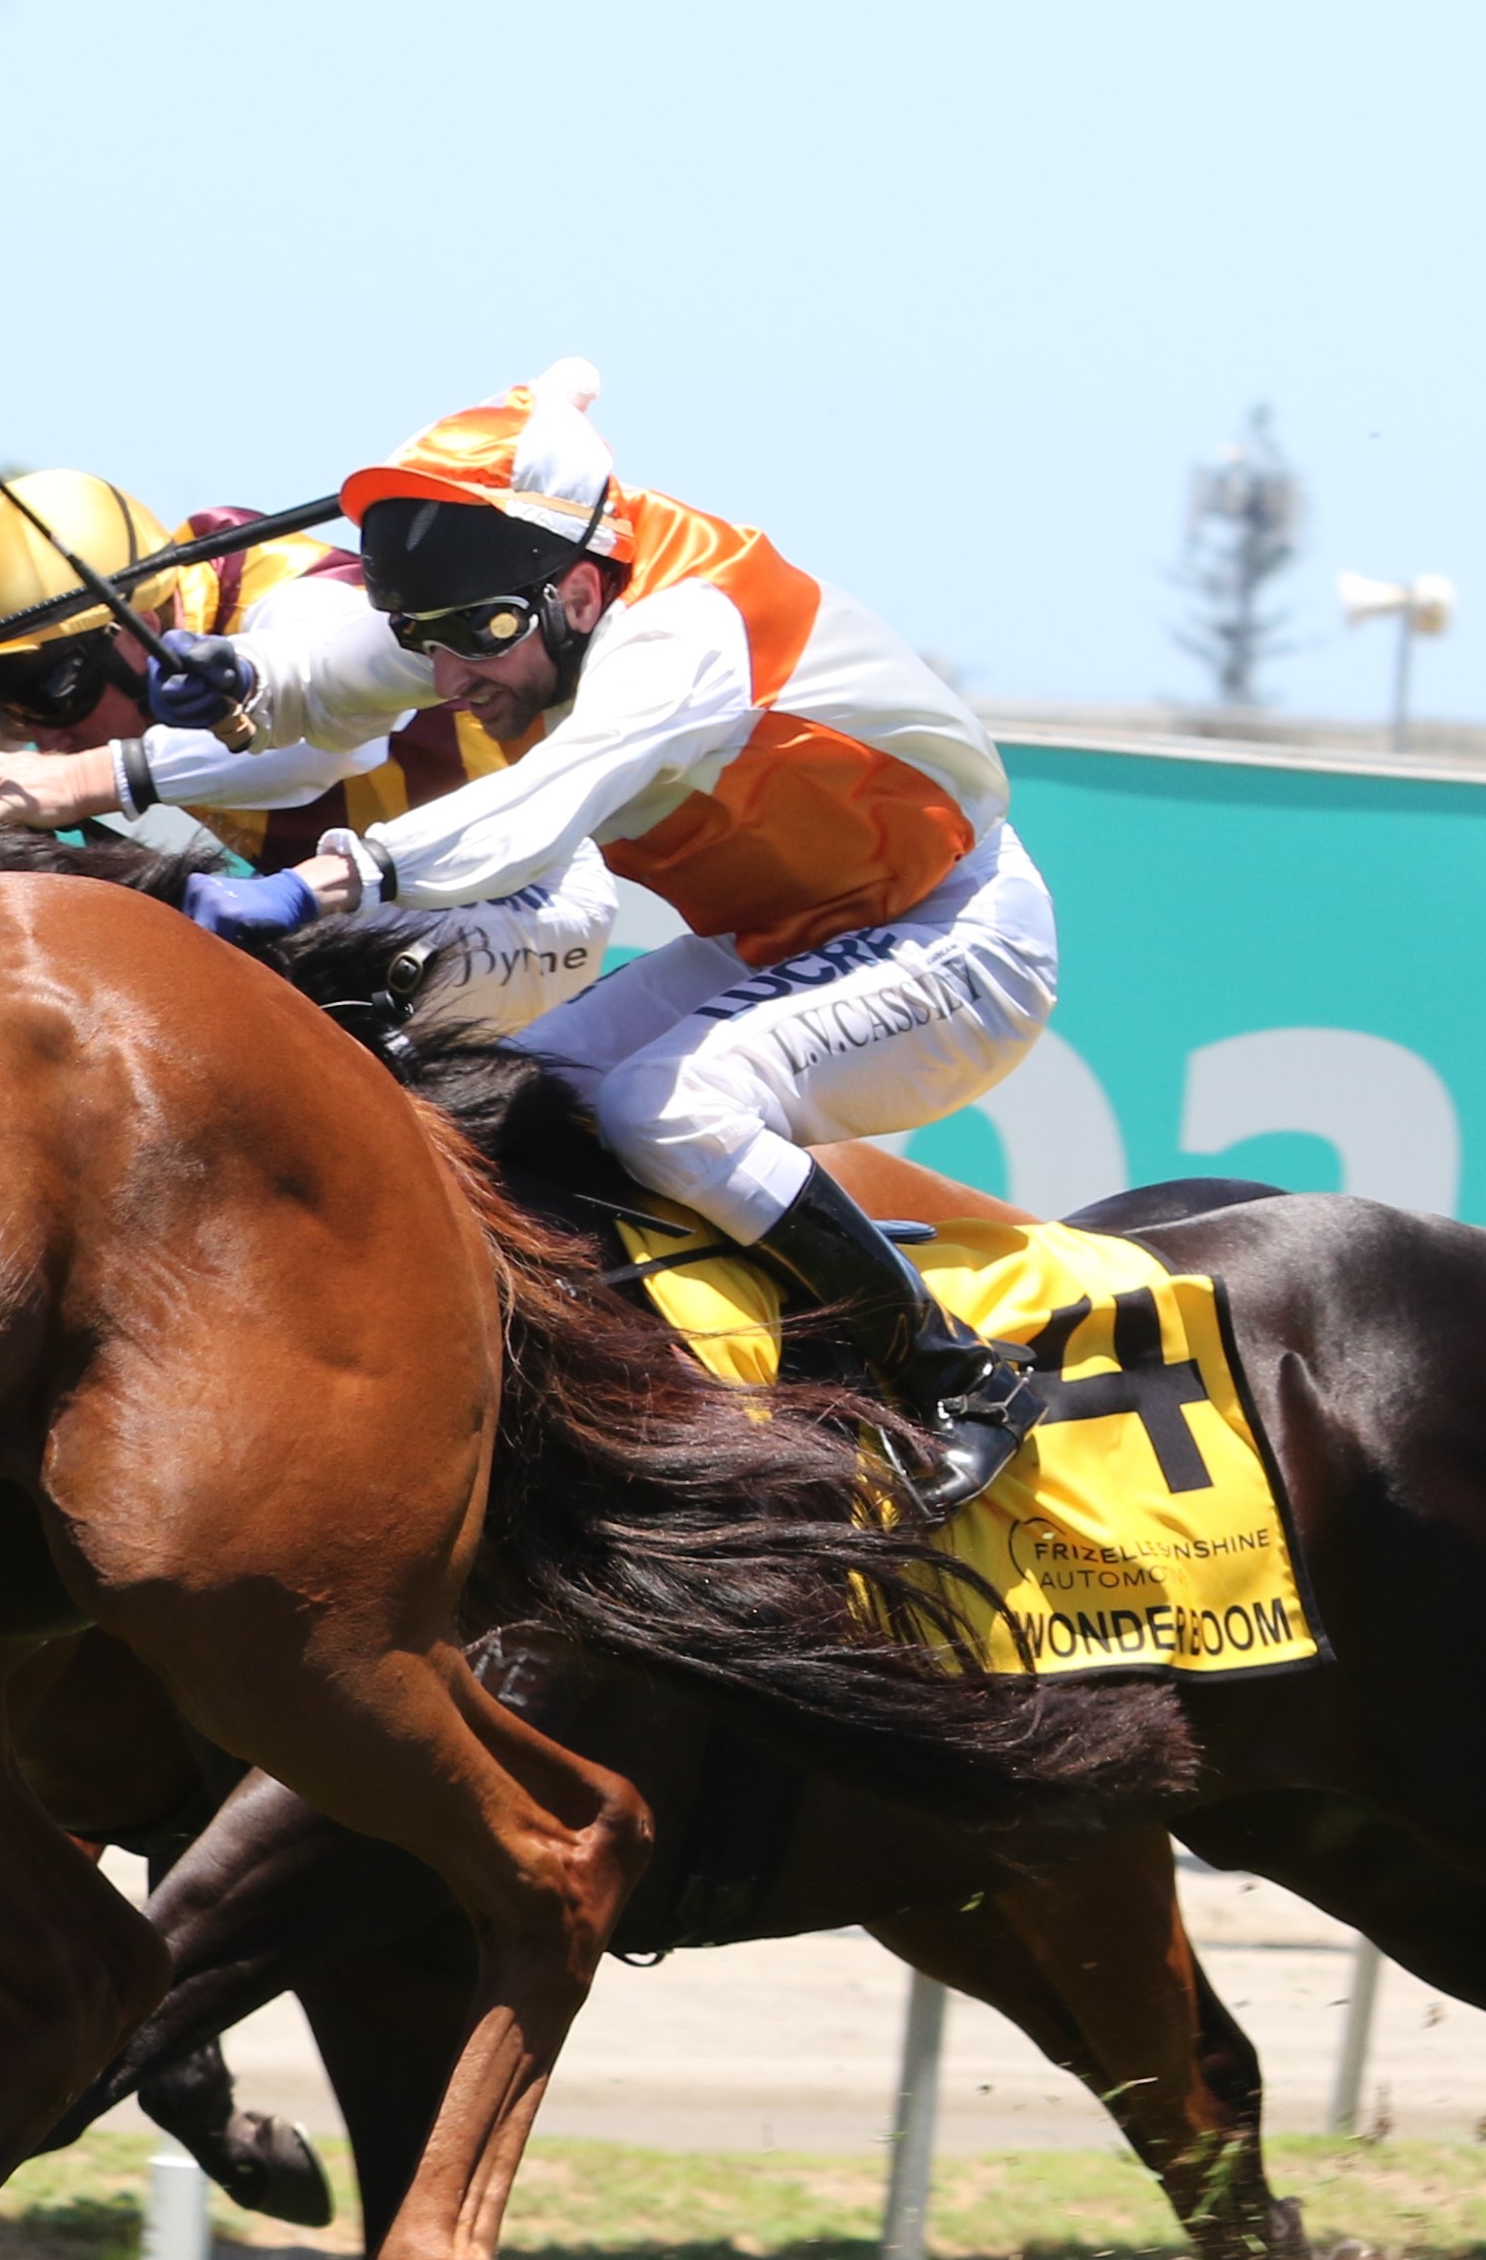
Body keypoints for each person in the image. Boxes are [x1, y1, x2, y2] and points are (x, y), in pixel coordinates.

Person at [166, 362, 1053, 1515]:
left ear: (580, 594)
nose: (450, 679)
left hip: (957, 937)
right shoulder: (524, 602)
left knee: (664, 1108)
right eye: (424, 636)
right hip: (789, 934)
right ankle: (723, 1319)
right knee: (521, 1102)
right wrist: (240, 673)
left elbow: (532, 820)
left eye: (469, 640)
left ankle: (954, 1377)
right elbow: (345, 681)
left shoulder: (684, 637)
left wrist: (323, 886)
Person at [0, 473, 615, 1035]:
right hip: (341, 901)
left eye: (50, 695)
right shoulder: (123, 636)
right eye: (11, 707)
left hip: (520, 903)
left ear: (143, 629)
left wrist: (91, 777)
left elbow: (327, 752)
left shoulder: (295, 597)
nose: (42, 738)